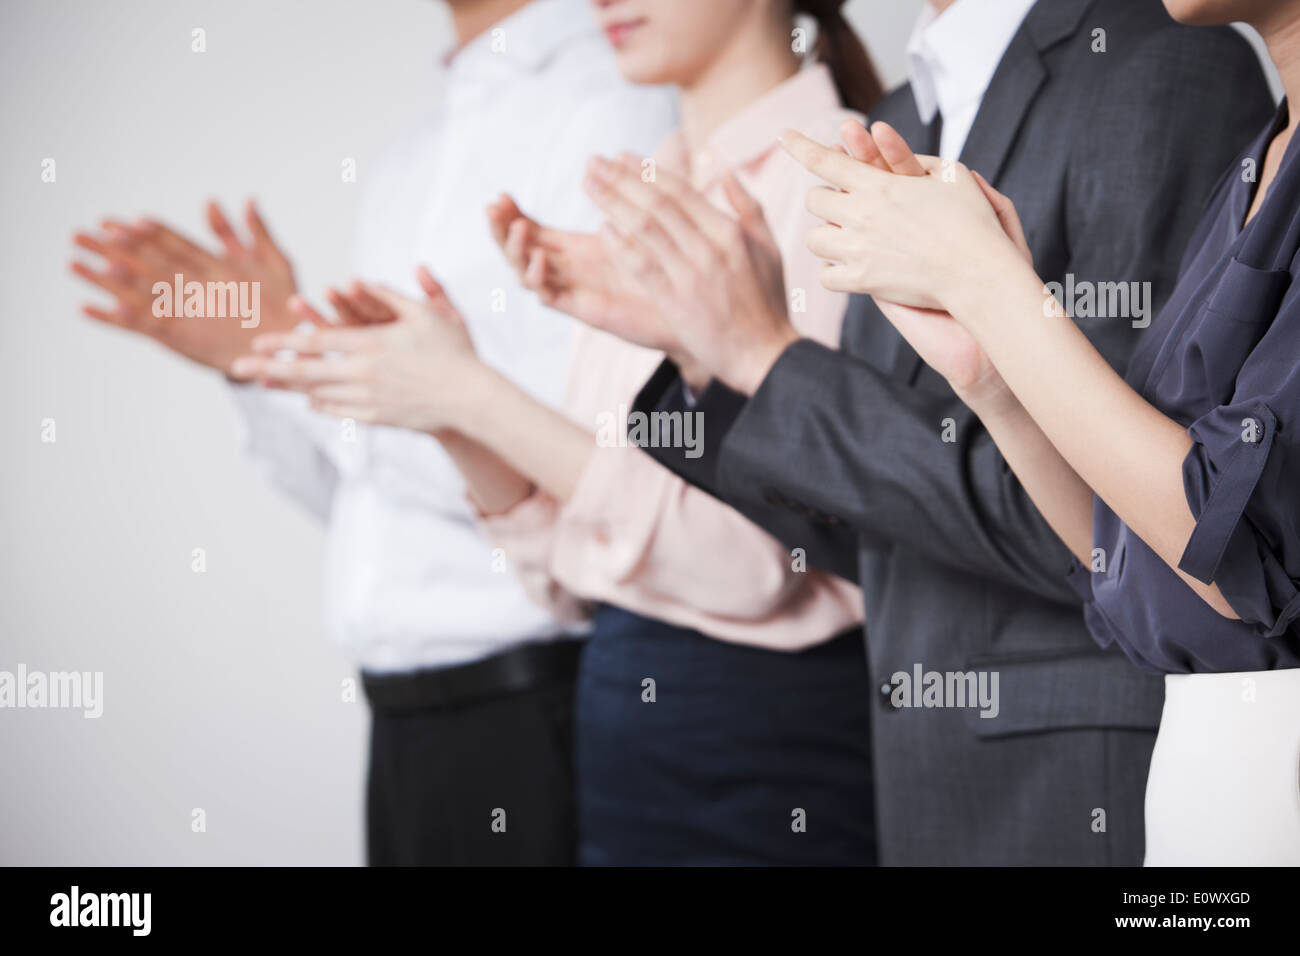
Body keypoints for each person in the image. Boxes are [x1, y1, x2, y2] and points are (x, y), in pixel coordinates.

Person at [520, 0, 1274, 864]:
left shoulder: (1164, 60)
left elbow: (1130, 522)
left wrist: (767, 359)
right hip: (915, 780)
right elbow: (881, 524)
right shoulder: (901, 115)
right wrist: (715, 361)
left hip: (1082, 778)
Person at [231, 0, 884, 865]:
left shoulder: (845, 175)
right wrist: (450, 414)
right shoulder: (645, 185)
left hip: (772, 752)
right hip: (623, 744)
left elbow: (763, 565)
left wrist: (473, 398)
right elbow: (571, 576)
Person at [69, 0, 676, 866]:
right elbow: (363, 499)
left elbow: (588, 485)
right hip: (406, 731)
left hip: (539, 709)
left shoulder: (614, 109)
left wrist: (301, 348)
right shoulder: (410, 159)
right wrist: (263, 362)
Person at [780, 0, 1300, 866]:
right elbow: (1135, 547)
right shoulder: (1264, 157)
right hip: (1205, 798)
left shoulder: (1174, 77)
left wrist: (992, 286)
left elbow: (1244, 546)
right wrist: (991, 373)